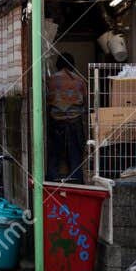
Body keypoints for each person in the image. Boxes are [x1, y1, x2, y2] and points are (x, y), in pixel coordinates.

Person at [46, 53, 87, 183]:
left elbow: (46, 101)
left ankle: (52, 184)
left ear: (58, 64)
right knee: (75, 156)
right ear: (72, 65)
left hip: (56, 123)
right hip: (75, 122)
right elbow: (85, 102)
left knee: (54, 156)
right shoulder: (80, 81)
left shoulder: (50, 80)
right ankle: (77, 185)